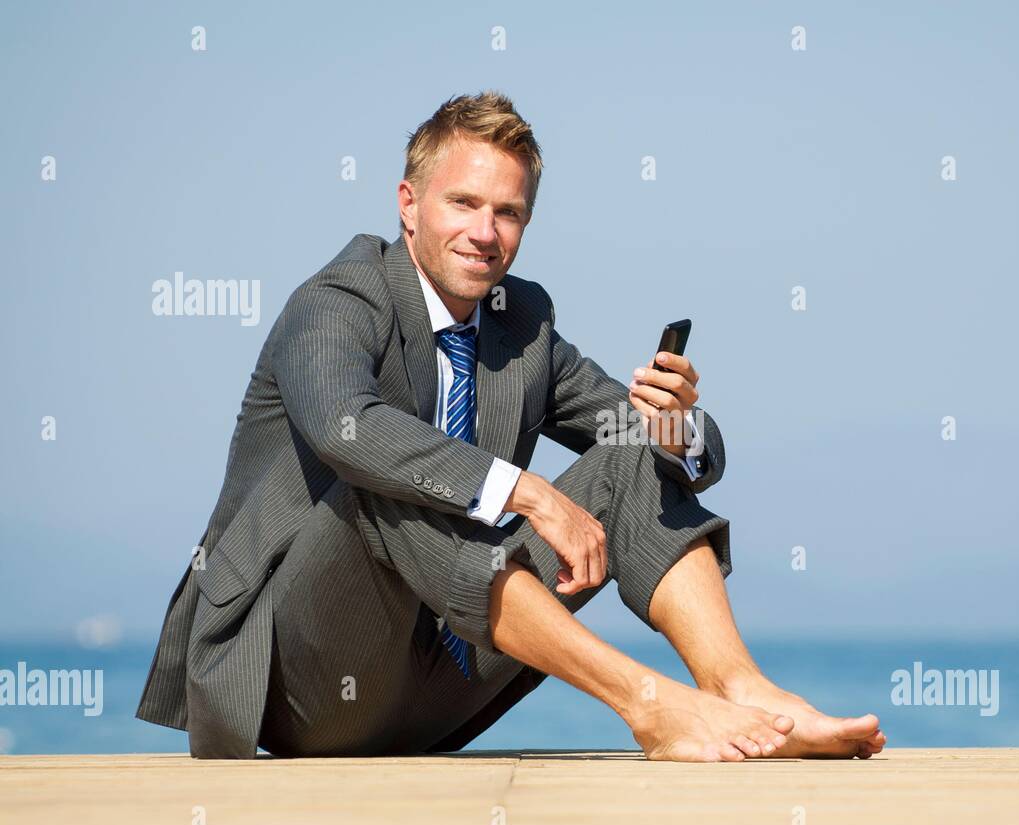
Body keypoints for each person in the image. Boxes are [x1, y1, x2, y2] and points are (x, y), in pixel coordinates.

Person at [135, 90, 887, 763]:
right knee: (394, 475)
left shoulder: (521, 324)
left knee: (629, 459)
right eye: (463, 203)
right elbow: (347, 430)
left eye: (509, 212)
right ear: (408, 203)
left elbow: (637, 440)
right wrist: (527, 491)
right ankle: (649, 705)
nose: (485, 232)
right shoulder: (339, 298)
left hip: (435, 686)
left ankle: (740, 686)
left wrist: (673, 427)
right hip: (295, 683)